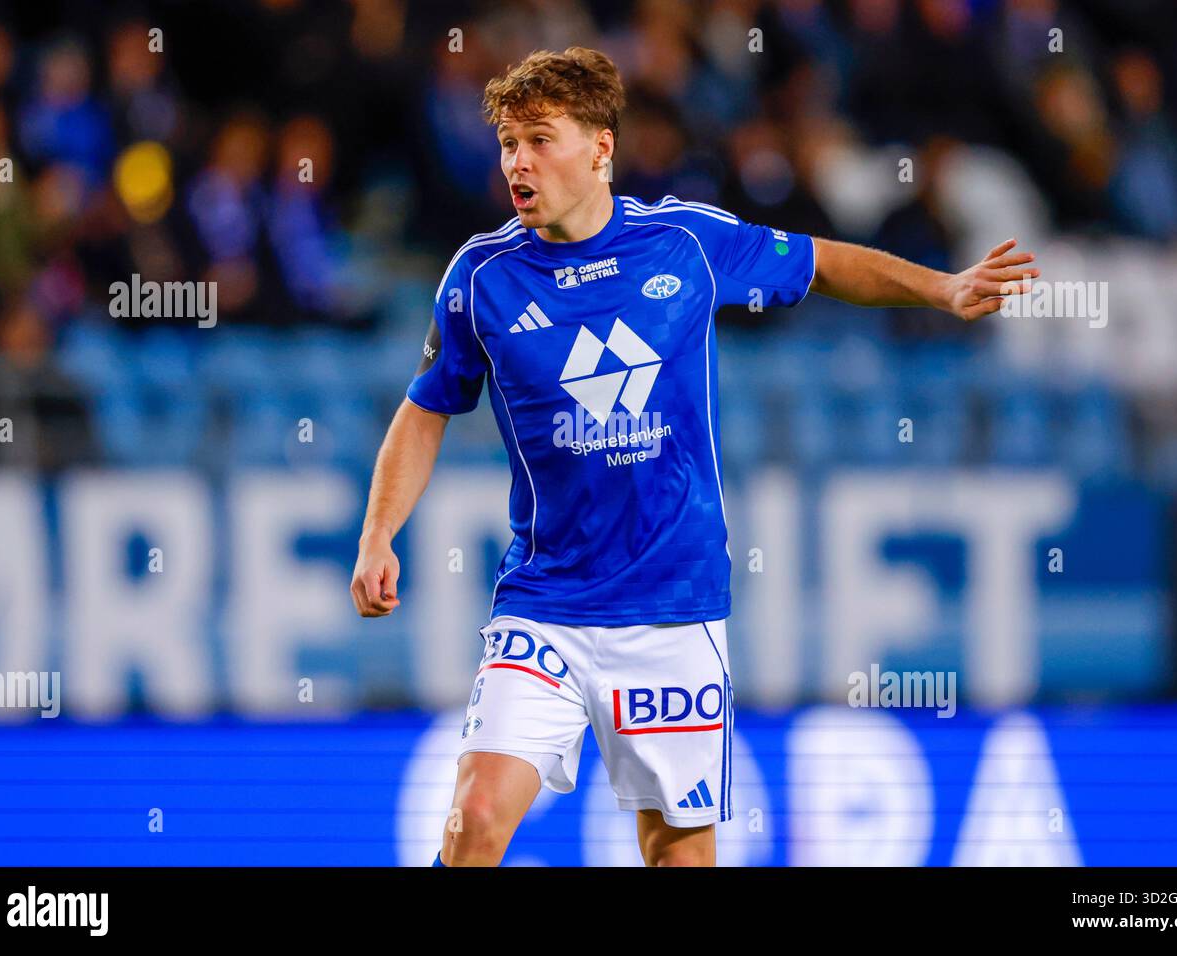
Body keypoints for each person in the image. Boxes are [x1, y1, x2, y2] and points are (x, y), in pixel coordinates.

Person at [350, 47, 1038, 867]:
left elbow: (824, 263)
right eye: (507, 144)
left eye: (539, 139)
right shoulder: (481, 276)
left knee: (677, 854)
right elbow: (426, 408)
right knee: (474, 820)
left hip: (672, 609)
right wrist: (378, 533)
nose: (516, 163)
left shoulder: (685, 240)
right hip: (543, 606)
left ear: (601, 146)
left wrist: (942, 288)